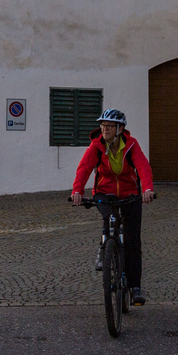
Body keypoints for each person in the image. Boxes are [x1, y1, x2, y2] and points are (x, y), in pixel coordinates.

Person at [70, 108, 156, 306]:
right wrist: (77, 191)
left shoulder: (131, 145)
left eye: (109, 126)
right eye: (102, 125)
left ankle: (135, 288)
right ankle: (104, 248)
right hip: (104, 191)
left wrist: (148, 189)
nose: (104, 129)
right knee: (109, 218)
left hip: (130, 194)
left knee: (133, 240)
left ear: (120, 128)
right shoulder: (97, 145)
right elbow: (85, 168)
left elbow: (143, 166)